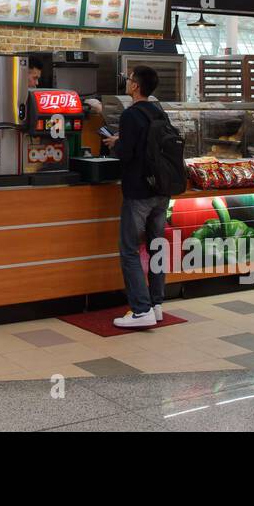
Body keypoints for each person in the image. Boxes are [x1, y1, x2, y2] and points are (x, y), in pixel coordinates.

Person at [102, 65, 169, 328]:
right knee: (156, 246)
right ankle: (157, 304)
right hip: (161, 189)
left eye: (129, 79)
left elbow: (126, 154)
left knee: (129, 250)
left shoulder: (131, 114)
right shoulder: (159, 111)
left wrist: (115, 143)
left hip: (139, 191)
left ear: (135, 86)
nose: (127, 82)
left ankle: (141, 310)